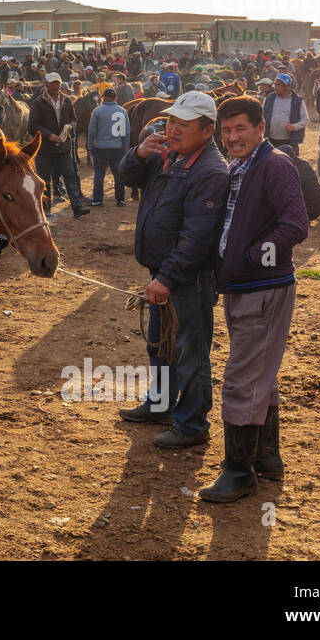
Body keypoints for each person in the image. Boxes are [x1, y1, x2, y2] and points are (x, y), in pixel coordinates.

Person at [199, 96, 308, 502]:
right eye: (226, 131)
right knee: (260, 370)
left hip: (262, 287)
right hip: (246, 286)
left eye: (241, 128)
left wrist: (250, 257)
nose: (232, 138)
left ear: (261, 128)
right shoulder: (242, 166)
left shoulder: (274, 164)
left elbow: (296, 224)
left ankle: (238, 471)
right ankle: (267, 457)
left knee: (242, 376)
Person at [118, 91, 230, 448]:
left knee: (189, 352)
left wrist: (167, 277)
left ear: (207, 129)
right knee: (161, 346)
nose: (173, 129)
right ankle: (161, 404)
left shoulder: (210, 171)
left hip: (187, 279)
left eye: (184, 124)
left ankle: (193, 424)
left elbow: (197, 236)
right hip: (162, 272)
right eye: (171, 121)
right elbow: (127, 178)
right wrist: (138, 153)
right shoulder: (167, 155)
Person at [28, 74, 89, 218]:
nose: (56, 86)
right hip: (46, 148)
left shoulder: (66, 100)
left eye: (58, 83)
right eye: (53, 83)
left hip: (63, 146)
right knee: (44, 179)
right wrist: (50, 135)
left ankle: (77, 207)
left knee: (70, 176)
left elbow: (73, 119)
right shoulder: (38, 103)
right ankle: (46, 208)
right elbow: (33, 125)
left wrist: (70, 127)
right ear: (47, 84)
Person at [87, 87, 130, 207]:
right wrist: (125, 149)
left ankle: (97, 200)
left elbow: (91, 131)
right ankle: (120, 199)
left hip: (101, 147)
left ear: (104, 98)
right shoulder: (122, 111)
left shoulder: (97, 111)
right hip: (117, 147)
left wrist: (90, 146)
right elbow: (126, 133)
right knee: (118, 174)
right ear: (115, 98)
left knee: (99, 174)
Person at [262, 73, 308, 150]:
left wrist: (295, 127)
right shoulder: (269, 98)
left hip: (289, 142)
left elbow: (305, 119)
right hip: (270, 141)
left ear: (287, 86)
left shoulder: (297, 101)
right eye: (275, 84)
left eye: (278, 85)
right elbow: (261, 115)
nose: (275, 87)